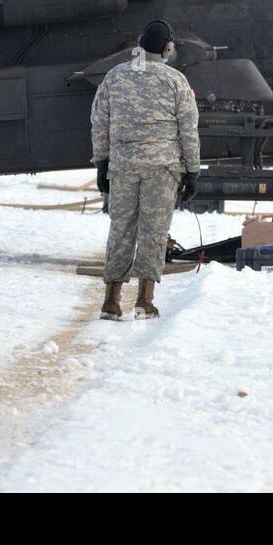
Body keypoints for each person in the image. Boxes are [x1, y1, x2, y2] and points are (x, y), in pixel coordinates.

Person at [91, 20, 200, 320]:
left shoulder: (115, 77)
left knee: (121, 229)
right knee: (154, 231)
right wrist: (192, 171)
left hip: (123, 166)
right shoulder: (176, 81)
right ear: (167, 48)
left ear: (139, 44)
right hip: (161, 170)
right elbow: (188, 130)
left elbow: (99, 122)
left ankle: (111, 301)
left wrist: (102, 162)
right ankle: (144, 300)